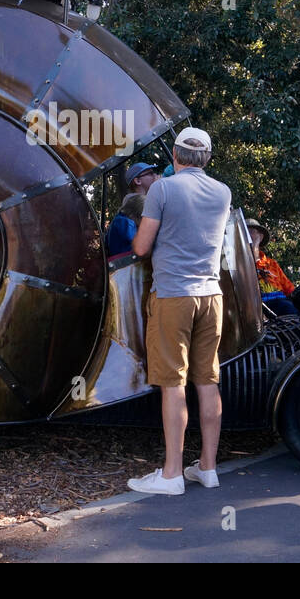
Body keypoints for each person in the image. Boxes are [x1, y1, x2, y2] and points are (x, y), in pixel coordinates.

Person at [127, 127, 232, 495]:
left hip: (173, 294)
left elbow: (141, 247)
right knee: (207, 381)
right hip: (211, 296)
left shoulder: (162, 189)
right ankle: (207, 468)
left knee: (173, 383)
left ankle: (172, 474)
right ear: (207, 157)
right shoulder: (223, 192)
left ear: (175, 155)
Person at [247, 217, 297, 315]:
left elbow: (290, 290)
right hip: (256, 309)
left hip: (282, 308)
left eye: (251, 231)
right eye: (244, 232)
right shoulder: (235, 264)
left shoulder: (271, 264)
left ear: (260, 237)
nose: (248, 235)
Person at [105, 192, 144, 258]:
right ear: (133, 215)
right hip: (122, 260)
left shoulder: (119, 220)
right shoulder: (124, 222)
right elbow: (135, 241)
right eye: (143, 219)